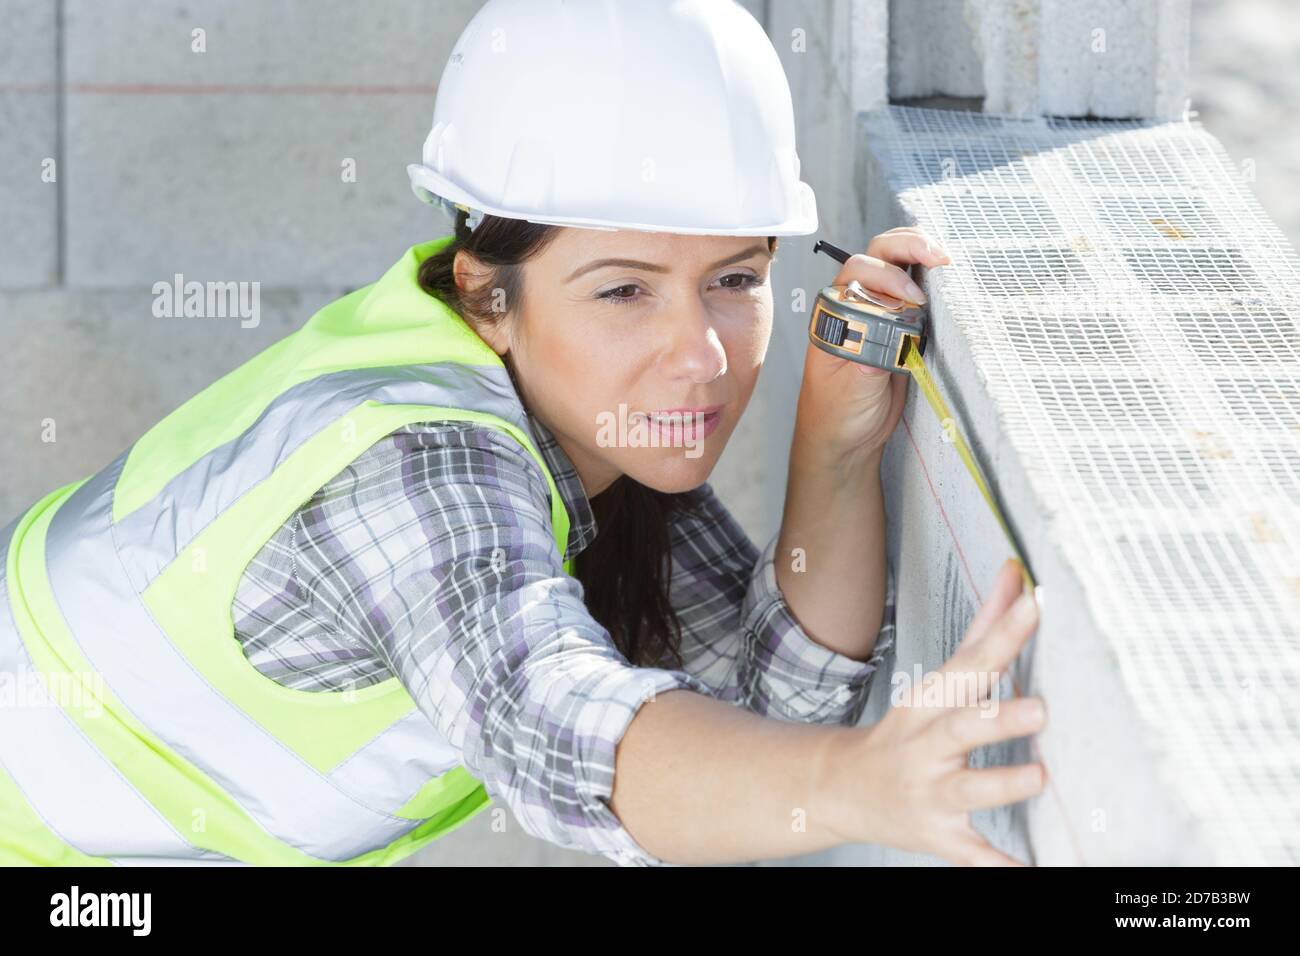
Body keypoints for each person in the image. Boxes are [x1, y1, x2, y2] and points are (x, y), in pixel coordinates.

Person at [0, 0, 1045, 867]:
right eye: (625, 290)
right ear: (487, 293)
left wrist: (836, 442)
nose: (701, 355)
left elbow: (767, 703)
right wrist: (854, 786)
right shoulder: (416, 471)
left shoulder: (588, 426)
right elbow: (560, 727)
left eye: (734, 279)